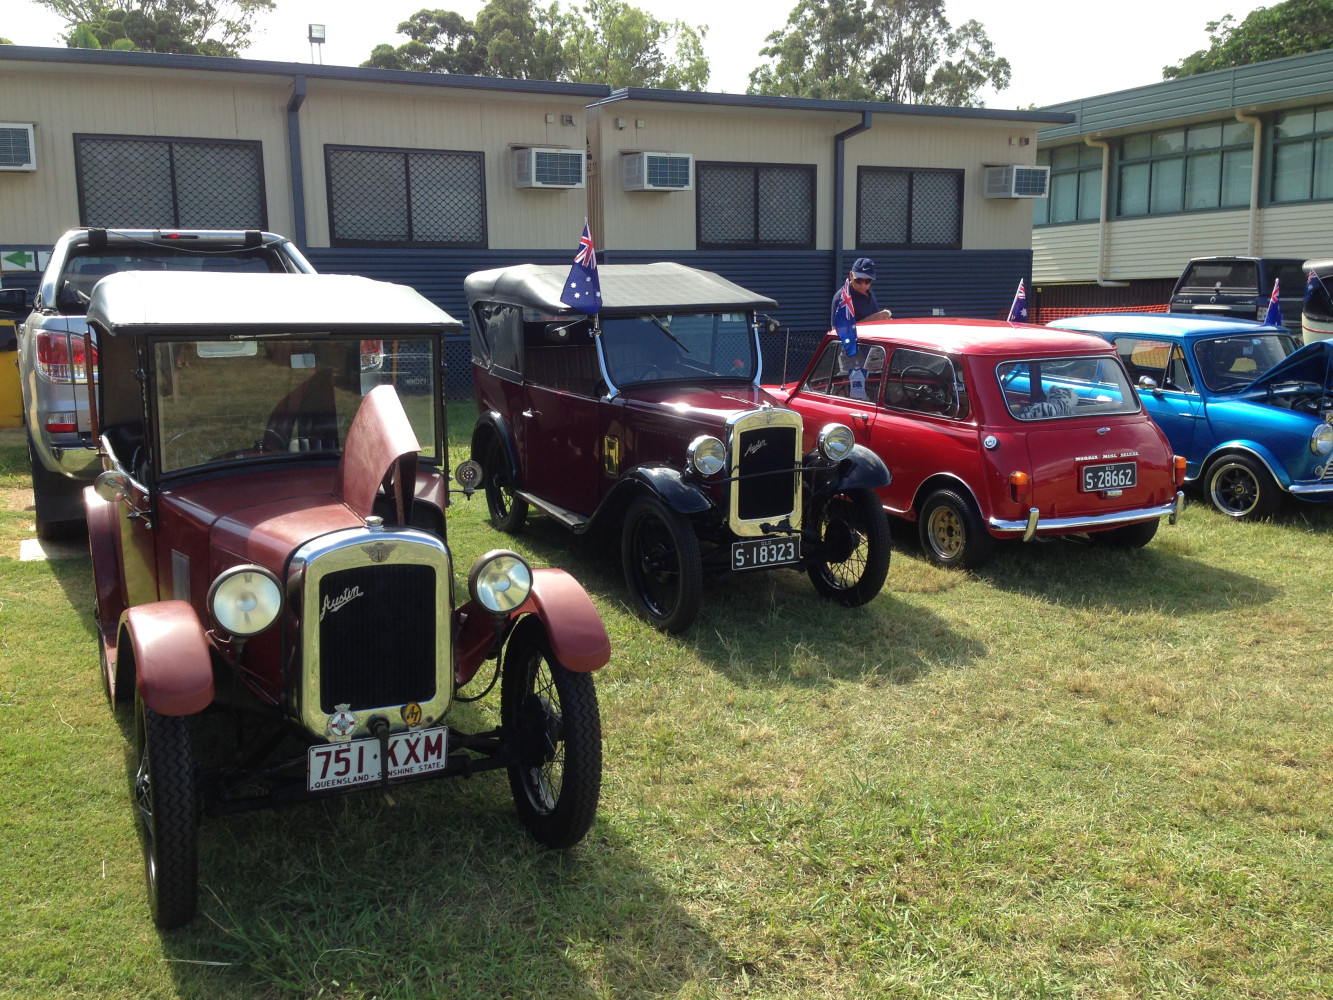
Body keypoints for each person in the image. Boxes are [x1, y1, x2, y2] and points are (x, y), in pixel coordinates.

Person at [831, 257, 892, 328]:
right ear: (851, 275)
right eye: (858, 280)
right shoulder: (842, 298)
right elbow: (837, 332)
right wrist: (872, 319)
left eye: (867, 281)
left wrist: (882, 318)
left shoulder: (869, 291)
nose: (863, 285)